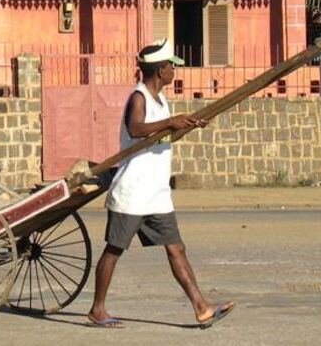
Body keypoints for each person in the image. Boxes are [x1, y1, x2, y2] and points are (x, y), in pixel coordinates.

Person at [86, 38, 235, 329]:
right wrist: (170, 122)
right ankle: (97, 309)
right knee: (114, 249)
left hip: (156, 192)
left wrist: (185, 124)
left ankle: (201, 307)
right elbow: (136, 128)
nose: (174, 71)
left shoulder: (161, 99)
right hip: (132, 190)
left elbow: (161, 136)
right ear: (159, 69)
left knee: (176, 248)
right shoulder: (139, 96)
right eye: (171, 66)